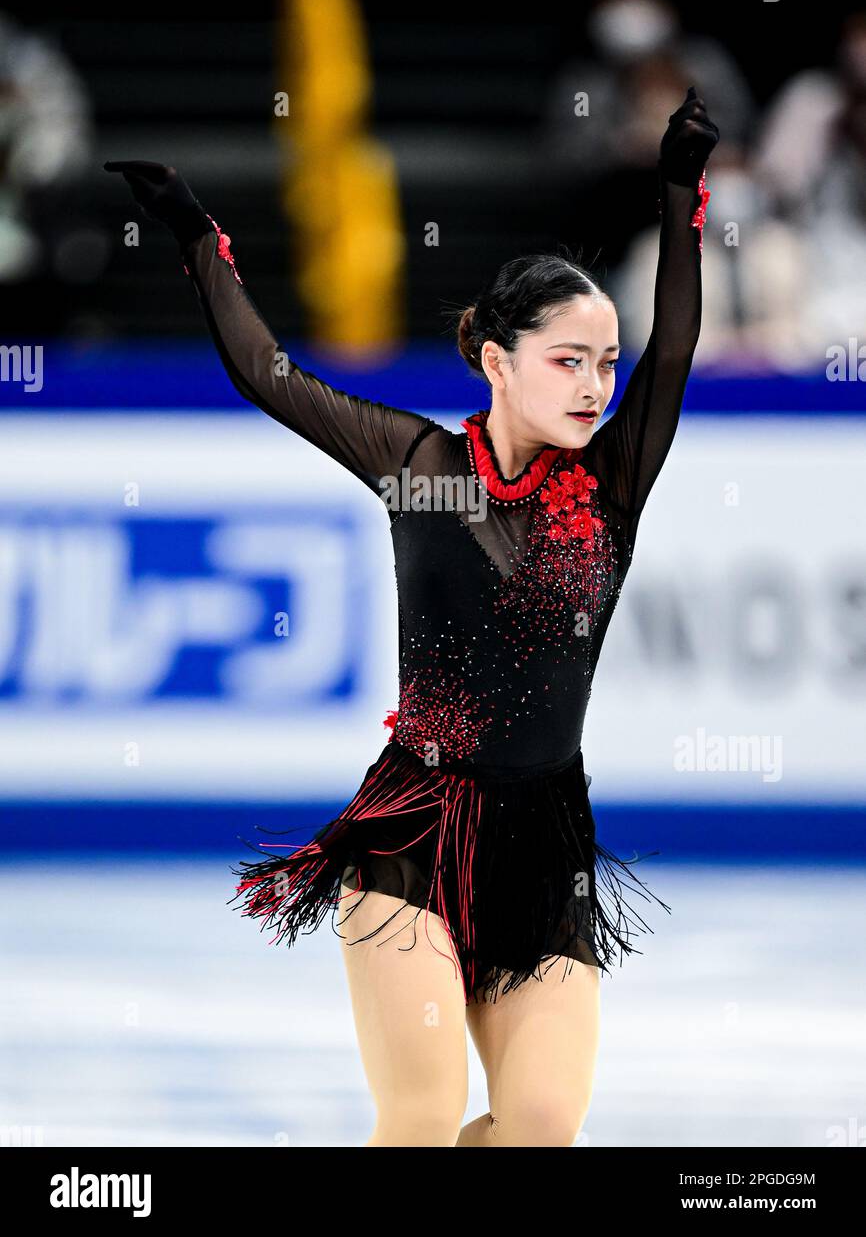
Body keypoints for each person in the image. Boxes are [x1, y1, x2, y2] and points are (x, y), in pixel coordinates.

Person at [104, 86, 719, 1147]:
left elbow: (672, 355)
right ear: (497, 360)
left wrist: (677, 193)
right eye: (567, 360)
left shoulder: (612, 482)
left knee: (537, 1127)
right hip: (413, 834)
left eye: (603, 362)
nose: (593, 384)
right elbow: (268, 373)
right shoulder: (415, 463)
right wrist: (197, 232)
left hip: (545, 845)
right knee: (425, 1116)